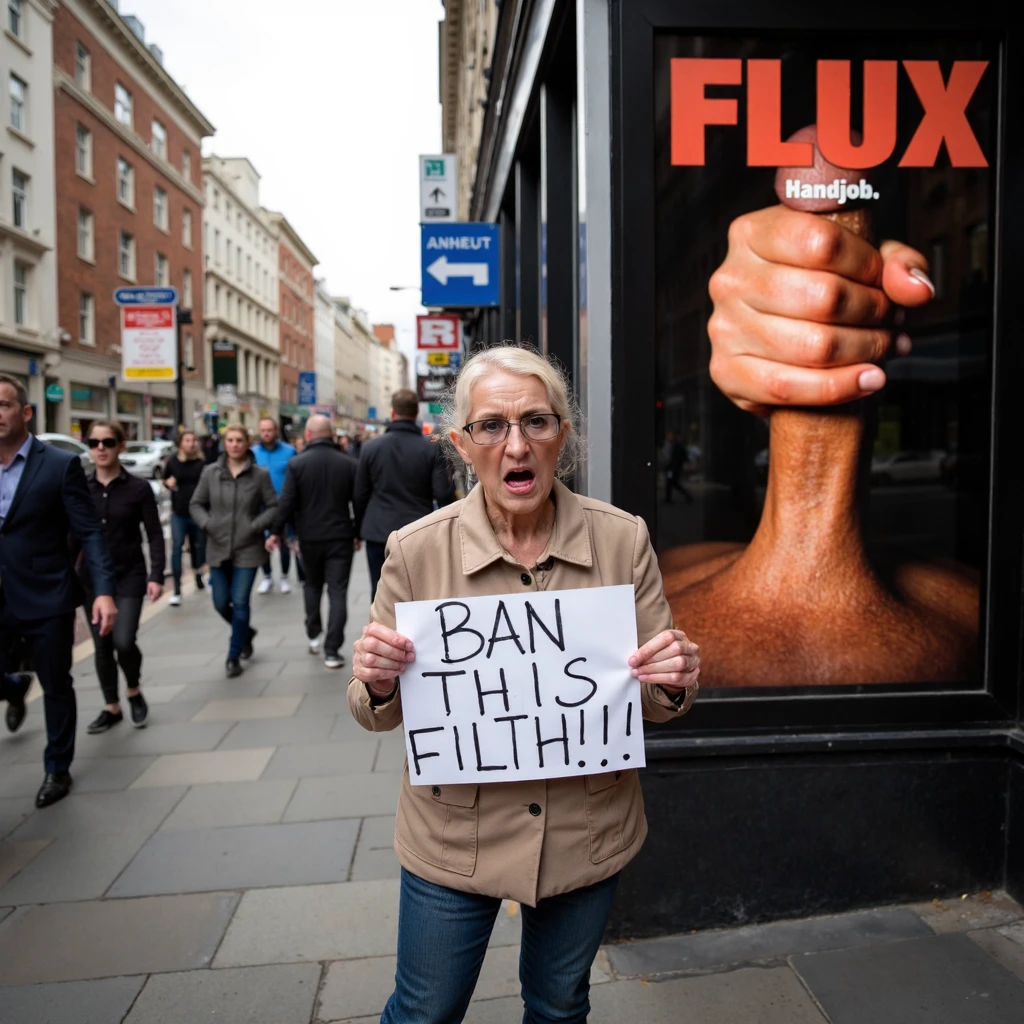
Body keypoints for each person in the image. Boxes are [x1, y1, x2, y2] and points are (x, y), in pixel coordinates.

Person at [347, 347, 700, 1021]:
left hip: (586, 829)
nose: (517, 444)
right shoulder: (416, 551)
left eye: (537, 421)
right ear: (461, 444)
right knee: (425, 1010)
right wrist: (379, 681)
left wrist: (674, 676)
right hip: (454, 836)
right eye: (491, 425)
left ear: (562, 436)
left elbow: (659, 699)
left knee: (561, 1005)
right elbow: (374, 712)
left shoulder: (623, 540)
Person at [0, 374, 117, 807]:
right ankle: (13, 688)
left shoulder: (57, 464)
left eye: (4, 405)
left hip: (45, 593)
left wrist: (102, 591)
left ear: (25, 412)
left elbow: (89, 532)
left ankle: (56, 769)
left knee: (55, 683)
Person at [77, 421, 165, 733]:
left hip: (128, 575)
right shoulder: (80, 489)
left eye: (108, 442)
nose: (100, 448)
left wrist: (156, 575)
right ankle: (111, 706)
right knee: (102, 645)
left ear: (121, 446)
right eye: (93, 442)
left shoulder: (138, 489)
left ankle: (133, 689)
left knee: (124, 641)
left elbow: (154, 535)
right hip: (90, 578)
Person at [267, 414, 360, 670]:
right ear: (331, 434)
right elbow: (359, 502)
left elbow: (286, 502)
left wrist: (276, 532)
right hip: (341, 535)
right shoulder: (349, 464)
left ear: (308, 435)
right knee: (338, 591)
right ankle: (333, 650)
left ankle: (314, 634)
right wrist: (358, 532)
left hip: (309, 537)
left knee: (312, 586)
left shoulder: (297, 464)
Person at [190, 424, 278, 677]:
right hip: (217, 547)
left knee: (239, 601)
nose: (235, 444)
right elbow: (196, 503)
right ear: (224, 443)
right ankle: (246, 633)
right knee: (220, 603)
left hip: (247, 548)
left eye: (239, 440)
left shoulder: (259, 474)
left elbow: (273, 506)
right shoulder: (211, 473)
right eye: (230, 440)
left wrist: (255, 526)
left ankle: (233, 655)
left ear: (247, 443)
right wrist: (208, 524)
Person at [354, 388, 455, 601]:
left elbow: (360, 493)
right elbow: (442, 492)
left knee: (379, 589)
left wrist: (359, 529)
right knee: (419, 590)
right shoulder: (429, 449)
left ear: (392, 413)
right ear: (415, 413)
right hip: (418, 529)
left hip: (378, 530)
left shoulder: (370, 447)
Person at [253, 417, 304, 594]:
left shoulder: (289, 452)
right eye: (263, 430)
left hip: (284, 505)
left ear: (276, 431)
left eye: (269, 430)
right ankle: (267, 576)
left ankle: (283, 577)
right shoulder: (253, 453)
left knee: (284, 542)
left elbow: (298, 477)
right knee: (261, 542)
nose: (266, 433)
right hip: (260, 506)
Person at [163, 429, 207, 606]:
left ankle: (198, 575)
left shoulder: (201, 462)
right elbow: (165, 479)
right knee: (177, 547)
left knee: (198, 547)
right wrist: (168, 483)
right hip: (179, 512)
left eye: (193, 440)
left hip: (198, 512)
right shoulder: (173, 461)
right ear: (181, 443)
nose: (190, 443)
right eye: (187, 440)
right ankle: (177, 589)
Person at [662, 430, 692, 504]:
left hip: (673, 468)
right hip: (673, 468)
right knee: (672, 483)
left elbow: (678, 458)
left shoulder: (677, 446)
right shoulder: (675, 445)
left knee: (671, 483)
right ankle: (669, 498)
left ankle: (669, 499)